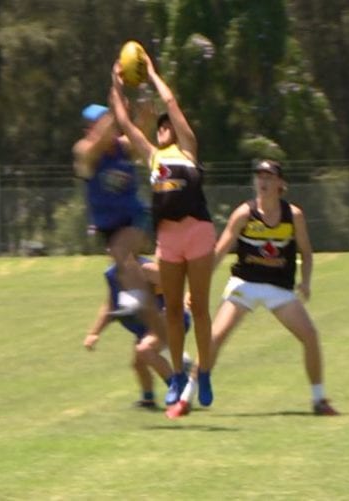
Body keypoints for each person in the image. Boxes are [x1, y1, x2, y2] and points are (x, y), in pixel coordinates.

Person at [166, 160, 340, 418]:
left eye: (269, 177)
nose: (263, 181)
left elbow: (306, 250)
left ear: (281, 184)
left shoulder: (293, 215)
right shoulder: (244, 214)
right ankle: (185, 400)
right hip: (245, 284)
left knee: (310, 336)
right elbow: (219, 252)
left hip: (279, 287)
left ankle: (319, 400)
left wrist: (306, 281)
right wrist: (196, 288)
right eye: (259, 176)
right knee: (213, 339)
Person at [109, 52, 216, 409]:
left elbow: (169, 101)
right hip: (168, 238)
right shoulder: (154, 156)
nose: (164, 127)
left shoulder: (188, 150)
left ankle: (205, 374)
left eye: (168, 124)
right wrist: (117, 83)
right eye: (161, 126)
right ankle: (179, 375)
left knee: (199, 309)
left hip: (197, 232)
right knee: (172, 310)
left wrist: (152, 73)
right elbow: (124, 122)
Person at [72, 102, 166, 344]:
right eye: (100, 123)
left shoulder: (122, 148)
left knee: (121, 252)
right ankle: (165, 343)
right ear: (89, 130)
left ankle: (132, 298)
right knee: (139, 289)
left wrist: (143, 118)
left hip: (137, 218)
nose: (108, 128)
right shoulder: (85, 151)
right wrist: (117, 112)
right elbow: (96, 145)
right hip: (109, 228)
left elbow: (137, 139)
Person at [84, 256, 191, 408]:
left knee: (145, 350)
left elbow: (174, 282)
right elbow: (110, 305)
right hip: (148, 327)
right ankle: (148, 399)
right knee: (138, 364)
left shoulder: (147, 269)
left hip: (170, 320)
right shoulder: (113, 274)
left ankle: (181, 392)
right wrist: (94, 333)